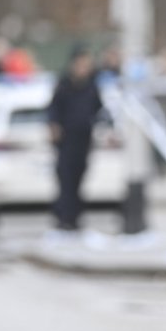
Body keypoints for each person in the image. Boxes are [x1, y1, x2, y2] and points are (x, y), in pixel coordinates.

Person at [47, 46, 102, 231]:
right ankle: (64, 217)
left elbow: (98, 109)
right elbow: (53, 109)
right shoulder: (64, 85)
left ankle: (75, 217)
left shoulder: (92, 85)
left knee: (79, 179)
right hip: (66, 139)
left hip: (84, 138)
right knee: (66, 180)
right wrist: (54, 127)